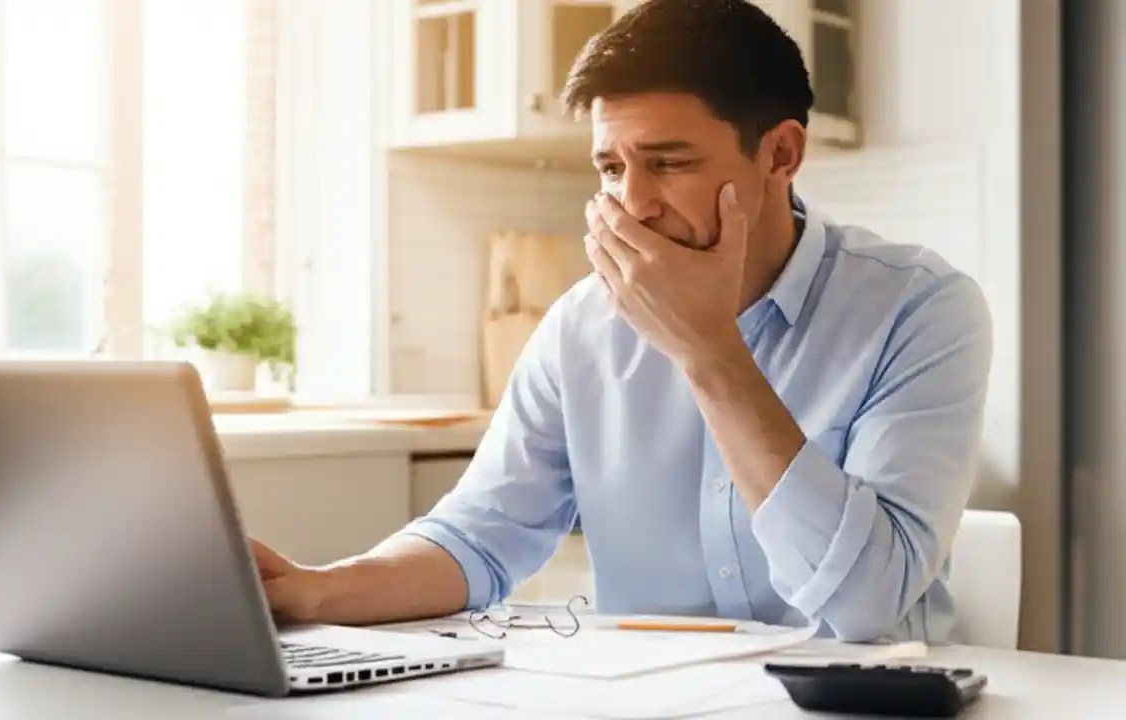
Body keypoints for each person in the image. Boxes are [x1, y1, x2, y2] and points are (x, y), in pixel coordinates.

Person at [250, 0, 991, 642]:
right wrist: (317, 588)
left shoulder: (919, 310)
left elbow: (867, 605)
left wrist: (709, 351)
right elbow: (479, 538)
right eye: (611, 168)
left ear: (781, 154)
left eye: (669, 163)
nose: (632, 203)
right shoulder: (582, 327)